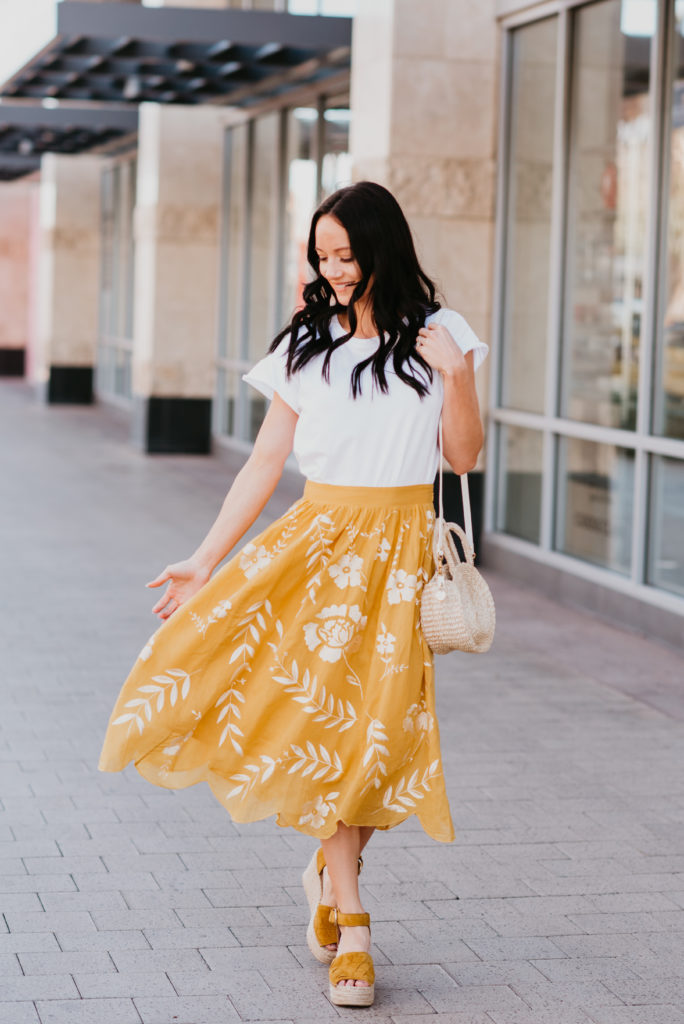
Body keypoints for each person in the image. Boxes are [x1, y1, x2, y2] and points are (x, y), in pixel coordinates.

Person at [99, 180, 487, 1007]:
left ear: (386, 246)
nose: (335, 269)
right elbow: (265, 462)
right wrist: (205, 559)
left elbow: (462, 458)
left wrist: (454, 377)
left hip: (401, 558)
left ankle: (324, 864)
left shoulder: (445, 336)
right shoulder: (308, 344)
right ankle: (353, 926)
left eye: (347, 254)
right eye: (323, 256)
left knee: (383, 742)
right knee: (333, 731)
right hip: (318, 552)